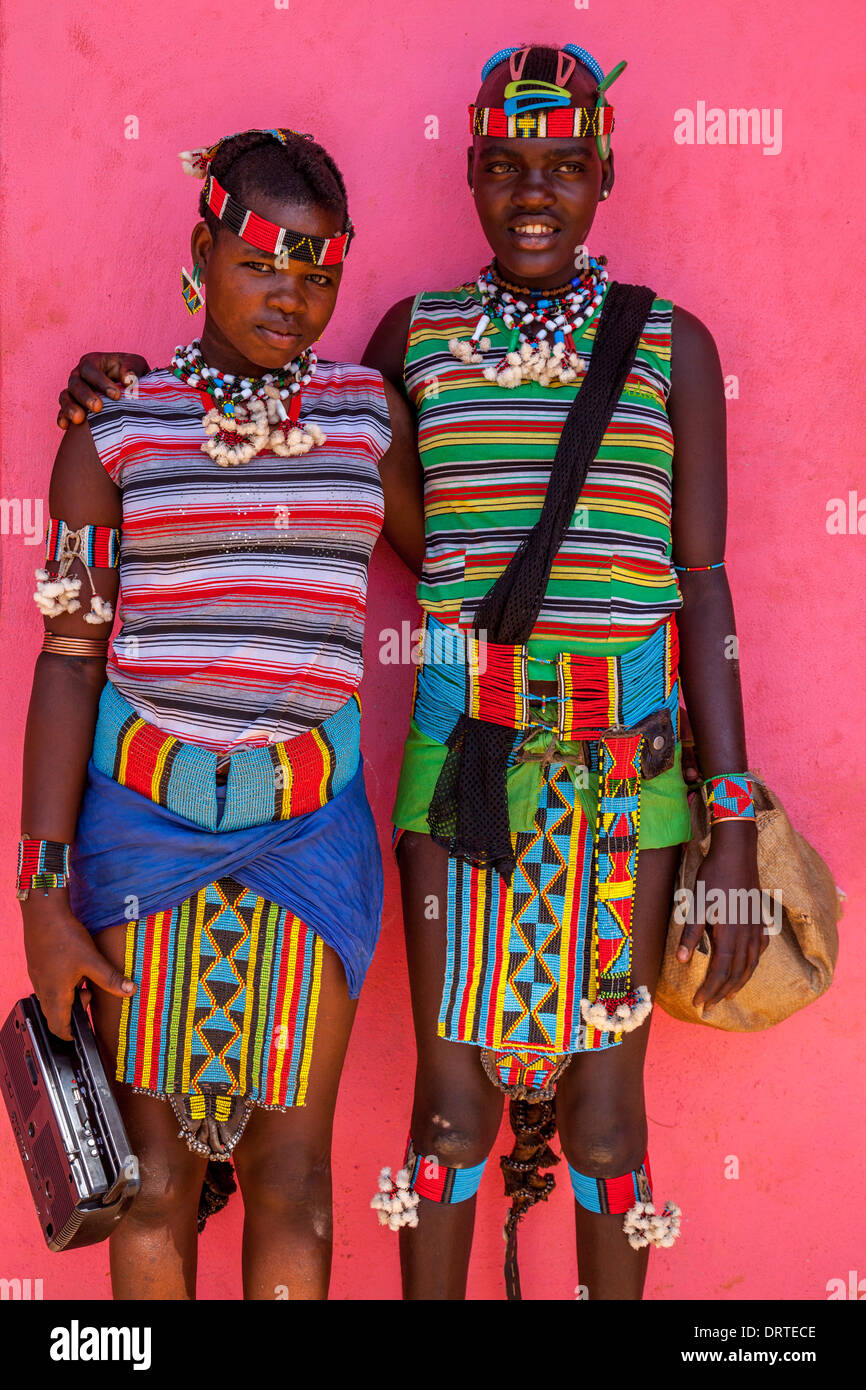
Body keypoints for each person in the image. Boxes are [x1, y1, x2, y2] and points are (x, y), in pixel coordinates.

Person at [58, 43, 765, 1304]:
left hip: (629, 770)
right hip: (456, 761)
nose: (533, 191)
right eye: (502, 163)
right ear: (468, 175)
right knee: (440, 1130)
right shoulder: (410, 343)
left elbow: (699, 585)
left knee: (605, 1132)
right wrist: (114, 400)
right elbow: (400, 525)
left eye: (563, 163)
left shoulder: (669, 344)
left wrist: (729, 819)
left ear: (607, 170)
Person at [23, 126, 422, 1300]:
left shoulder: (366, 418)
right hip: (141, 829)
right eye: (261, 264)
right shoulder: (116, 428)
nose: (289, 294)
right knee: (148, 1182)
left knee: (292, 1179)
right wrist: (45, 894)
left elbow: (459, 562)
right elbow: (66, 656)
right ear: (203, 250)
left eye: (318, 272)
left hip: (311, 833)